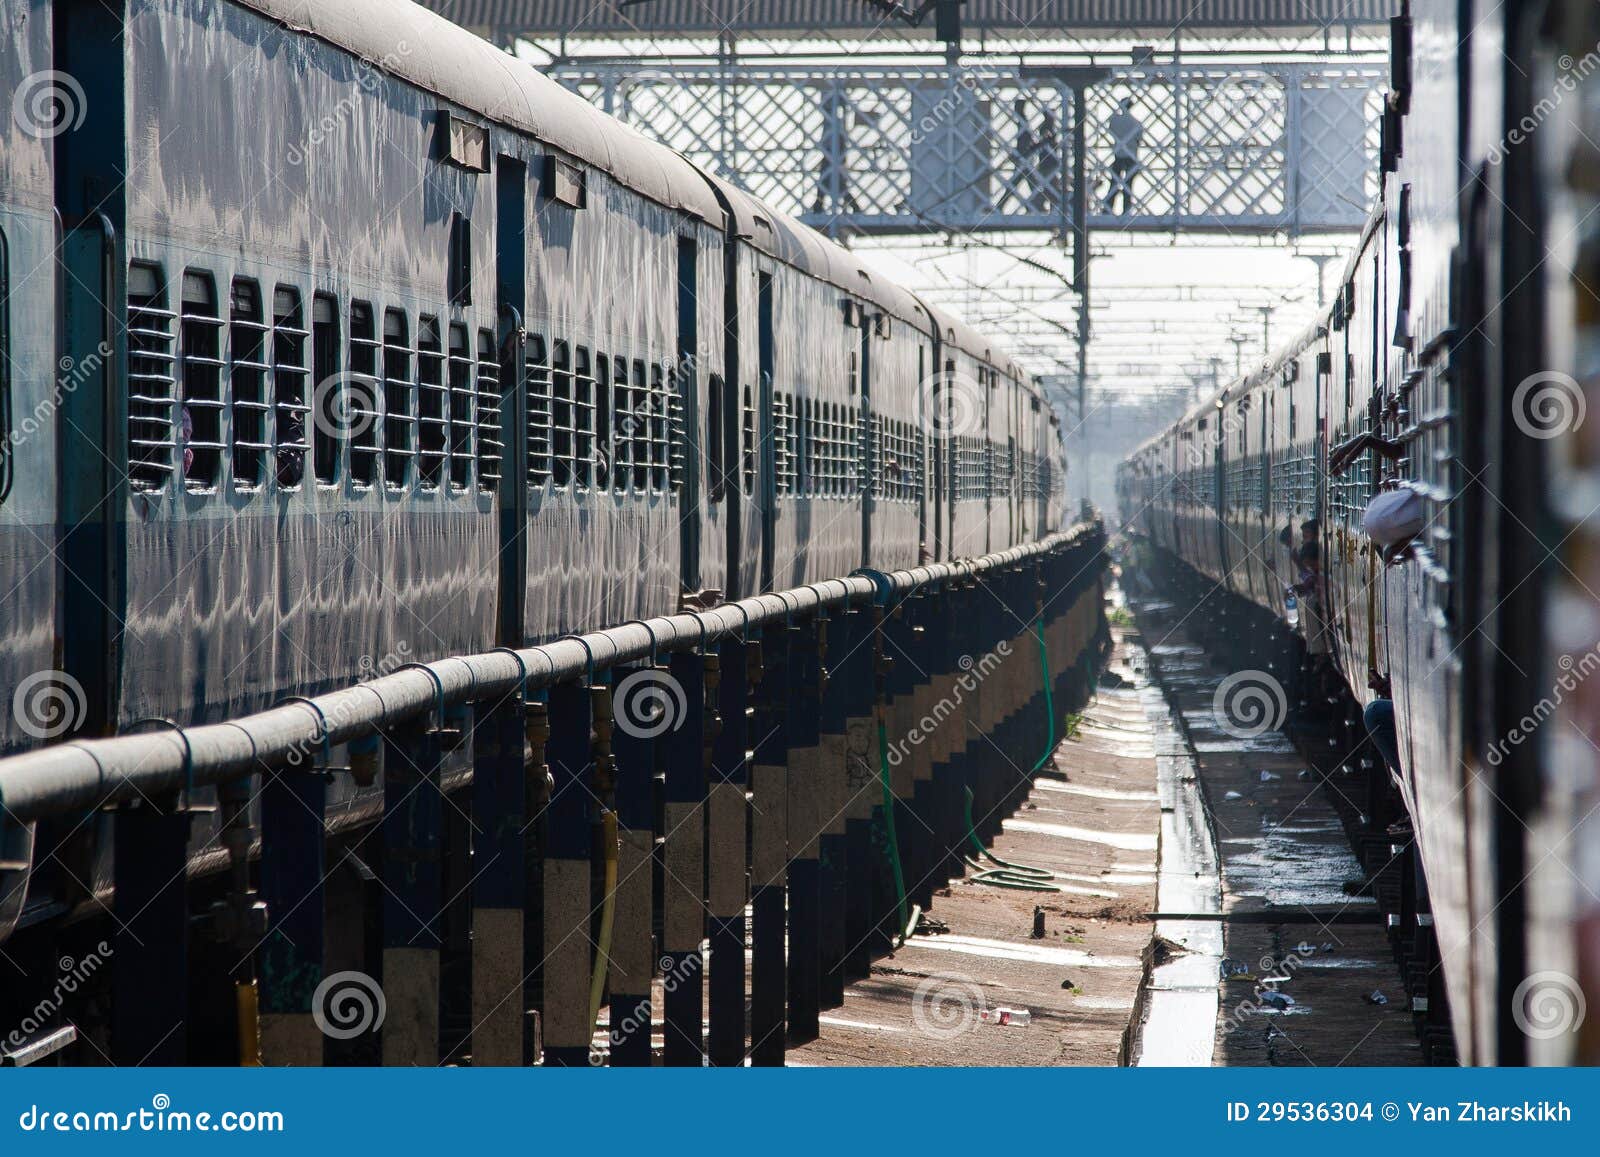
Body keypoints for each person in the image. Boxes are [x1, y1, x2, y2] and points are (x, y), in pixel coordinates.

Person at [1101, 98, 1143, 214]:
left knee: (1113, 183)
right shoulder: (1135, 122)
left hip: (1118, 155)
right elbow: (1139, 139)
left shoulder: (1114, 120)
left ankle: (1108, 209)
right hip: (1131, 155)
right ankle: (1126, 209)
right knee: (1128, 185)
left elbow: (1111, 131)